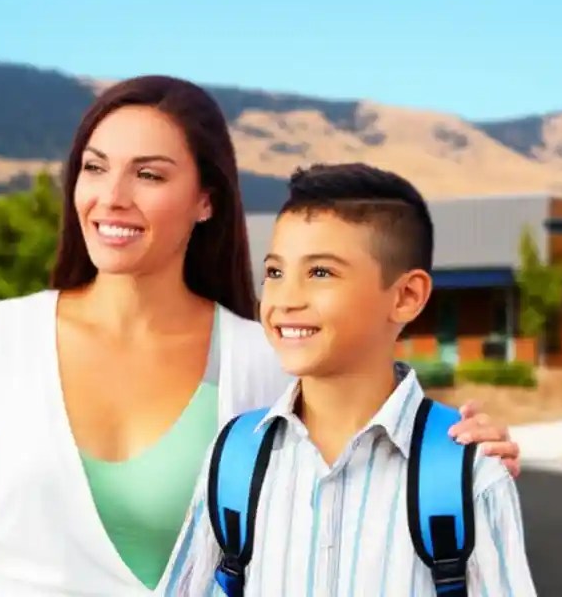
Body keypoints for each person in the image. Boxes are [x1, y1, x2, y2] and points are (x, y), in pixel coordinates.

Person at [0, 76, 523, 596]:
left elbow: (362, 434)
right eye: (94, 167)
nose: (111, 195)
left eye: (147, 174)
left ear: (206, 200)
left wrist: (453, 443)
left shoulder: (263, 357)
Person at [161, 162, 537, 596]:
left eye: (320, 272)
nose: (286, 298)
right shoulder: (234, 459)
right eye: (275, 272)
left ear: (406, 296)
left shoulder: (466, 475)